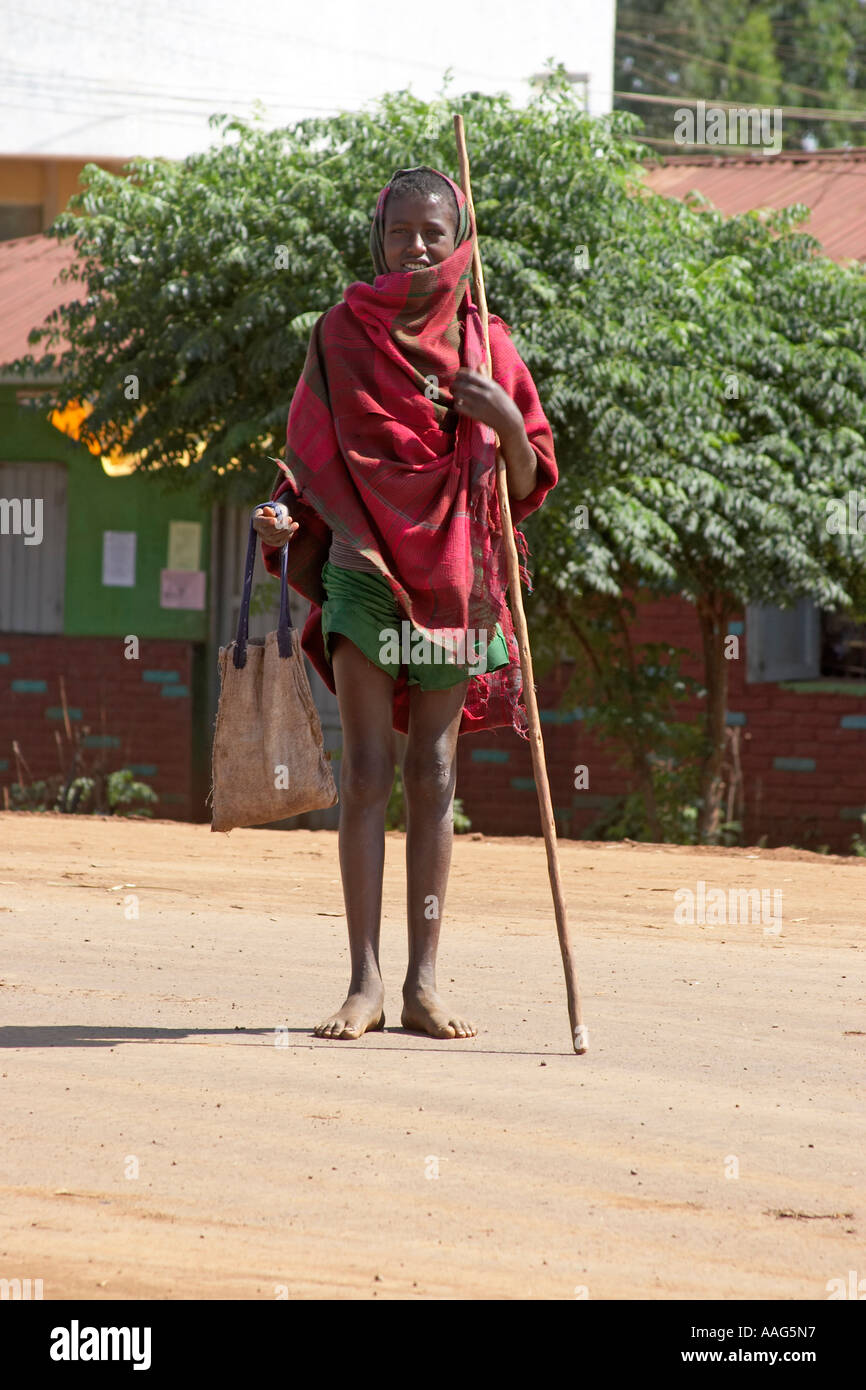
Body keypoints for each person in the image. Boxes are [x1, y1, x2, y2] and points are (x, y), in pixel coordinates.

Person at [254, 166, 557, 1040]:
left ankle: (424, 983)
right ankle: (365, 982)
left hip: (452, 576)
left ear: (457, 237)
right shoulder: (340, 335)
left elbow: (530, 477)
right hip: (359, 564)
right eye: (399, 233)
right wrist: (281, 518)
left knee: (433, 771)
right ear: (377, 236)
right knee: (365, 774)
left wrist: (501, 415)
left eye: (433, 232)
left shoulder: (486, 341)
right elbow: (308, 461)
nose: (415, 248)